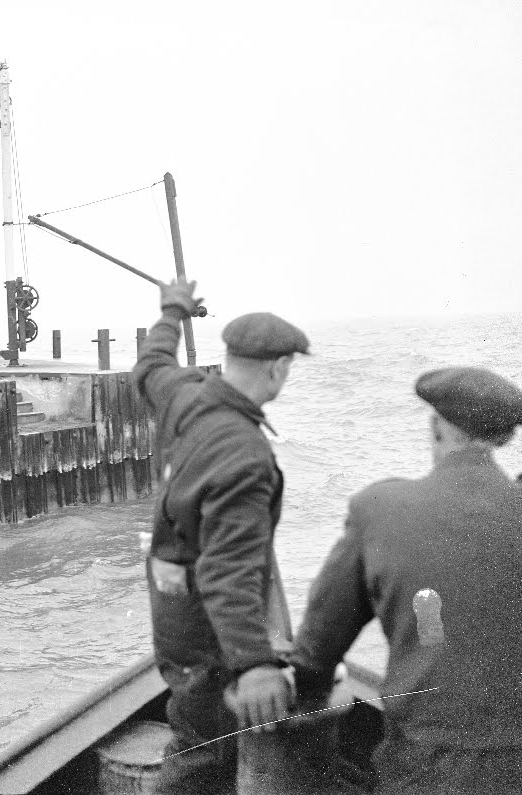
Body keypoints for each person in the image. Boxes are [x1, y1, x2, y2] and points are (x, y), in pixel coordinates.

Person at [232, 366, 522, 794]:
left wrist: (311, 692)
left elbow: (323, 634)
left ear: (436, 428)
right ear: (504, 438)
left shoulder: (381, 509)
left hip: (428, 759)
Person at [131, 278, 310, 794]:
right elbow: (226, 570)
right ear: (278, 369)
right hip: (206, 617)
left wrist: (172, 311)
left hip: (172, 601)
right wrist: (254, 665)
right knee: (203, 748)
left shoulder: (186, 397)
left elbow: (150, 366)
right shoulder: (246, 456)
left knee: (195, 726)